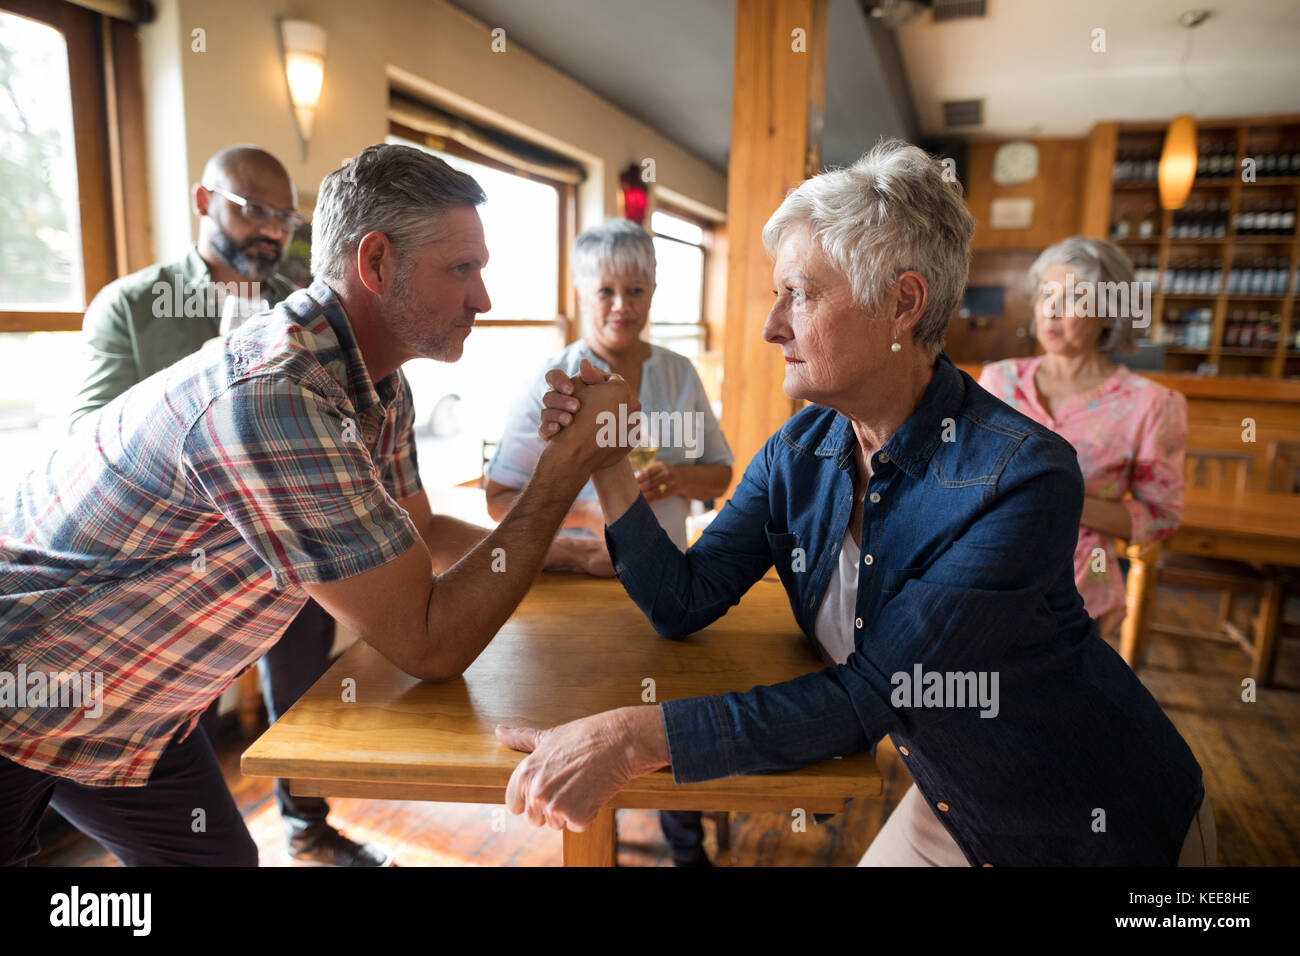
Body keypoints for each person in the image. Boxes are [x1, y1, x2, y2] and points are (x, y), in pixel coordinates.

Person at [494, 140, 1214, 866]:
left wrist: (630, 739)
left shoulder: (1022, 477)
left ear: (903, 304)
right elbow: (683, 599)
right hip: (954, 797)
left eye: (800, 294)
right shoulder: (798, 452)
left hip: (1093, 818)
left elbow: (872, 694)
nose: (772, 325)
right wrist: (609, 461)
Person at [0, 143, 628, 866]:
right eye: (461, 269)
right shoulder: (277, 396)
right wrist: (560, 473)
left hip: (134, 709)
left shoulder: (379, 382)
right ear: (376, 262)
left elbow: (420, 529)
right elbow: (430, 644)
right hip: (23, 684)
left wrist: (567, 552)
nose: (481, 298)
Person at [66, 144, 389, 866]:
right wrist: (209, 386)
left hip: (289, 550)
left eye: (285, 217)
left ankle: (308, 829)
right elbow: (88, 436)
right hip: (172, 571)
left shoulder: (299, 304)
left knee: (304, 695)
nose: (271, 229)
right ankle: (189, 833)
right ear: (204, 201)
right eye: (254, 210)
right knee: (186, 720)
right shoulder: (133, 305)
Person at [484, 218, 733, 865]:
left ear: (653, 292)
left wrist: (678, 477)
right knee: (592, 731)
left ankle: (687, 846)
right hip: (576, 597)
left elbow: (721, 472)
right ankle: (599, 845)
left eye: (637, 290)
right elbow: (501, 496)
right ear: (580, 293)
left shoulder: (678, 374)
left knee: (667, 723)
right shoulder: (554, 383)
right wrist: (592, 520)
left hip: (665, 588)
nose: (622, 305)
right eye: (606, 292)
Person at [977, 237, 1188, 643]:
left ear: (1109, 312)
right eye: (1046, 294)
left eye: (1074, 297)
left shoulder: (1151, 404)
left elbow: (1160, 515)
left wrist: (1057, 499)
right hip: (981, 573)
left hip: (1077, 592)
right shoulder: (998, 381)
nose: (1052, 310)